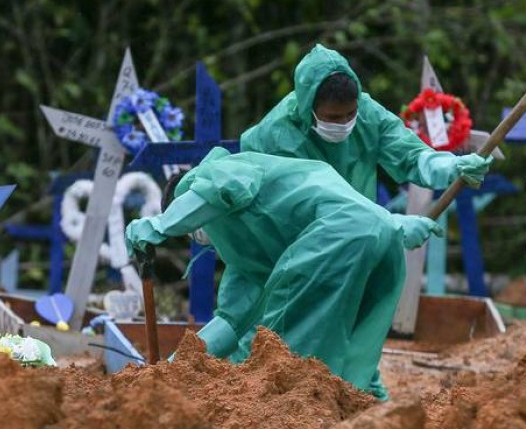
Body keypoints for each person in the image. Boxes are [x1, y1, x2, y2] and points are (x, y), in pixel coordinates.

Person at [125, 147, 444, 400]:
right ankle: (364, 415)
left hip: (338, 241)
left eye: (191, 224)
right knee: (350, 360)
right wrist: (171, 370)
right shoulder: (248, 254)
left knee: (284, 364)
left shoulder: (219, 171)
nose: (198, 235)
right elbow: (231, 323)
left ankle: (303, 428)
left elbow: (219, 189)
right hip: (375, 239)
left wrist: (162, 224)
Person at [241, 44, 492, 201]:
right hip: (288, 250)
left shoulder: (368, 114)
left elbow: (407, 153)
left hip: (357, 237)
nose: (344, 123)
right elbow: (302, 203)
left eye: (350, 113)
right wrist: (389, 225)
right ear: (309, 109)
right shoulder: (276, 137)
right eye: (333, 118)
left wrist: (447, 165)